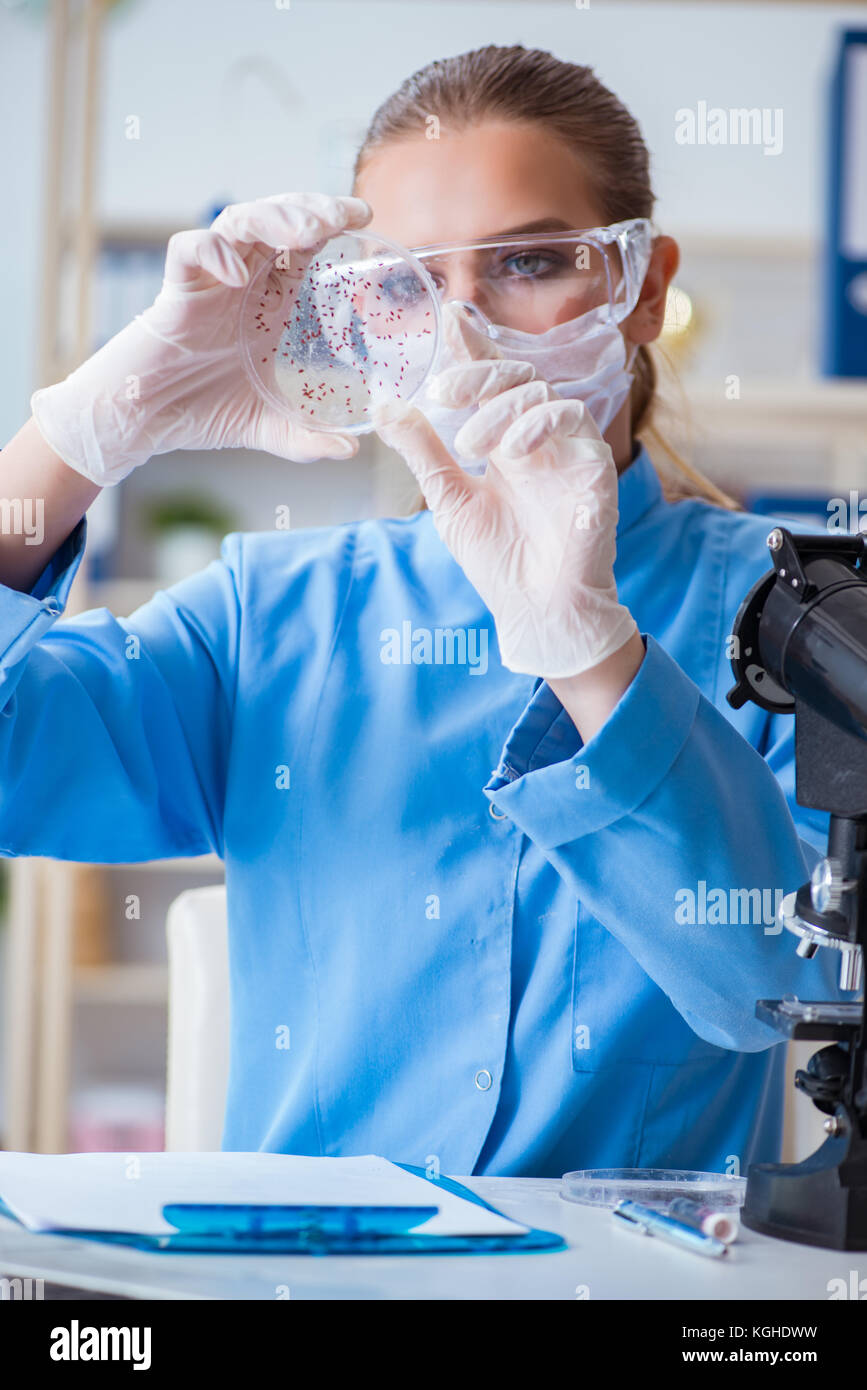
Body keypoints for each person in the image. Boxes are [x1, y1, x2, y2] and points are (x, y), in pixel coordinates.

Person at [0, 45, 844, 1179]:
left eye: (530, 262)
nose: (467, 330)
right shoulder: (273, 616)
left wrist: (596, 654)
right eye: (404, 285)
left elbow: (775, 988)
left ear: (642, 286)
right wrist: (73, 439)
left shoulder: (798, 615)